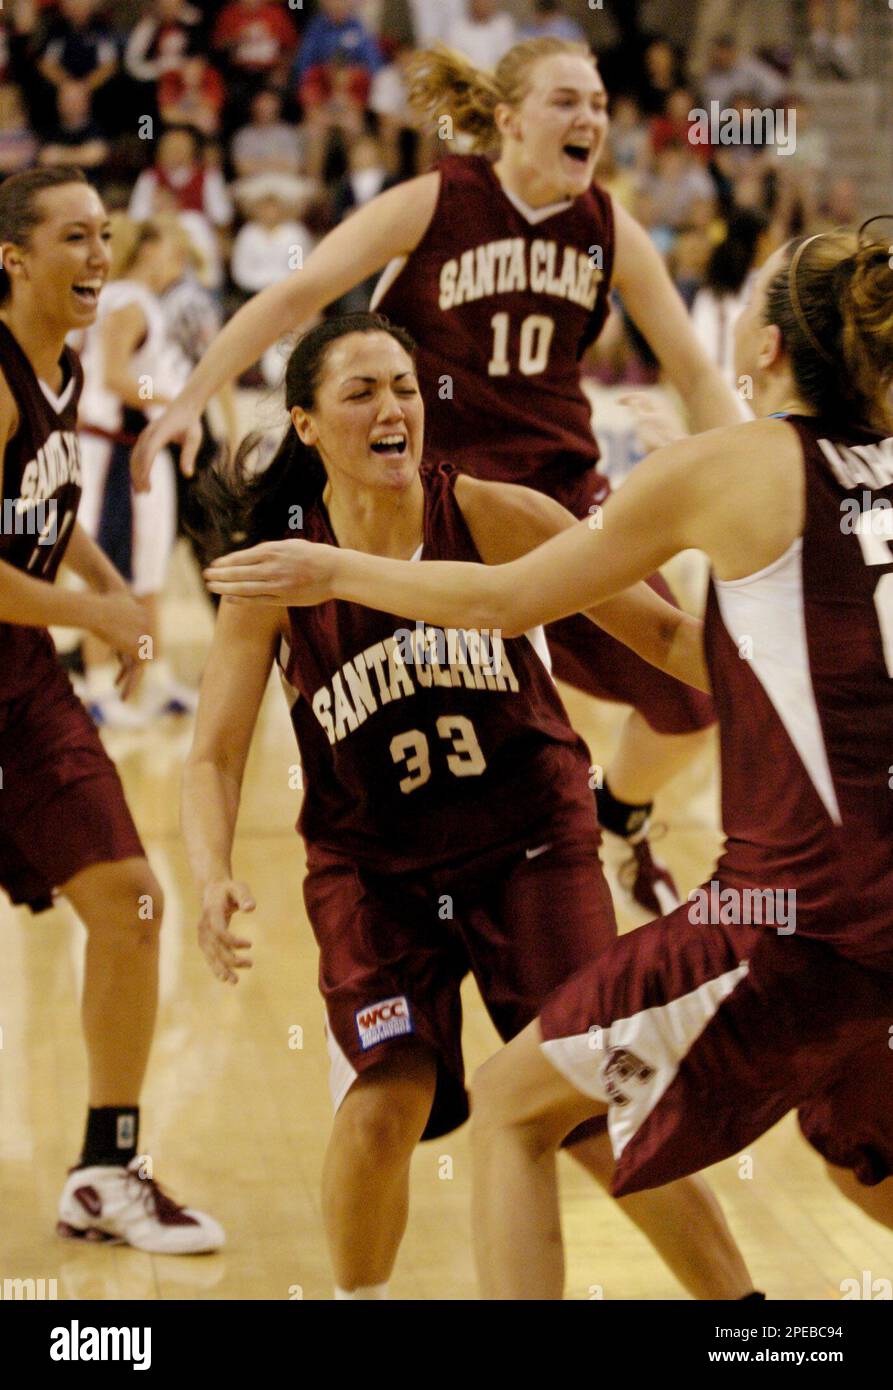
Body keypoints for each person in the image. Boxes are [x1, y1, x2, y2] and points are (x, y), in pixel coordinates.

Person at [209, 228, 893, 1297]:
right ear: (304, 422)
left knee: (548, 1108)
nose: (392, 407)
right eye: (360, 391)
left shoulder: (530, 503)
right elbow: (212, 751)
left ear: (761, 347)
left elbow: (571, 617)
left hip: (633, 867)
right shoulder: (273, 563)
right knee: (862, 1166)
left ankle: (756, 1324)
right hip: (377, 861)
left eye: (403, 384)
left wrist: (323, 567)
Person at [133, 37, 747, 918]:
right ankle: (385, 905)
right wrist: (195, 394)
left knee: (688, 698)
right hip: (432, 507)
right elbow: (293, 298)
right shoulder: (437, 201)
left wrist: (748, 480)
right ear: (508, 118)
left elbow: (689, 369)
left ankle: (623, 809)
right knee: (418, 741)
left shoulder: (610, 229)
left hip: (564, 502)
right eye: (567, 101)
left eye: (601, 106)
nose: (591, 121)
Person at [0, 166, 222, 1252]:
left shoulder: (63, 361)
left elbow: (45, 509)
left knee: (133, 903)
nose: (99, 255)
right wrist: (99, 609)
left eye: (105, 236)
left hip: (21, 686)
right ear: (14, 257)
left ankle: (105, 1167)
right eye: (75, 237)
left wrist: (117, 592)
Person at [76, 211, 197, 726]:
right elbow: (117, 378)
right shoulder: (129, 300)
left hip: (134, 447)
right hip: (117, 451)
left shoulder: (127, 299)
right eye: (174, 250)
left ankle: (155, 678)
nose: (180, 263)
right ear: (147, 249)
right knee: (112, 571)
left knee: (147, 571)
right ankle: (101, 689)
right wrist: (180, 402)